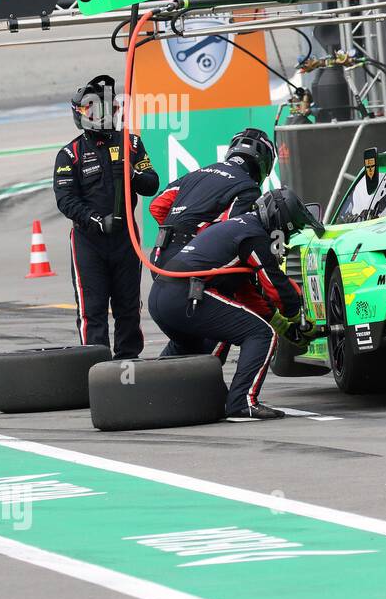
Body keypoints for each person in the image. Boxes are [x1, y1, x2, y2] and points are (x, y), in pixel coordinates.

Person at [147, 188, 324, 420]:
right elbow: (276, 286)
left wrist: (286, 327)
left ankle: (150, 394)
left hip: (163, 296)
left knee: (200, 341)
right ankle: (243, 402)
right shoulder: (256, 236)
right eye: (287, 234)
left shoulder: (240, 226)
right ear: (279, 223)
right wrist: (296, 316)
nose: (285, 241)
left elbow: (246, 292)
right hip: (186, 295)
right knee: (262, 335)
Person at [54, 74, 159, 359]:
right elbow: (65, 201)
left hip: (126, 238)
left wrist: (132, 173)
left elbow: (152, 184)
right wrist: (97, 220)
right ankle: (96, 366)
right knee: (92, 308)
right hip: (89, 242)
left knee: (128, 306)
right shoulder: (69, 154)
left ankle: (128, 363)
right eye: (91, 110)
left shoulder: (131, 143)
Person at [149, 127, 276, 270]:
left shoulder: (195, 174)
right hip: (193, 260)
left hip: (159, 256)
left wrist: (176, 229)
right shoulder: (249, 188)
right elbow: (230, 232)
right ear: (264, 163)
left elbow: (157, 205)